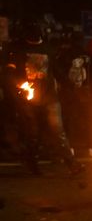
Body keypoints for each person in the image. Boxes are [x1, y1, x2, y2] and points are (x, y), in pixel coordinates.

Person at [4, 23, 83, 175]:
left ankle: (72, 164)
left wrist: (68, 84)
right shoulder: (18, 49)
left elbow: (56, 70)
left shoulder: (47, 49)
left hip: (49, 97)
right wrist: (16, 89)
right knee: (32, 133)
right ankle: (31, 162)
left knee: (58, 131)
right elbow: (9, 72)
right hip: (27, 100)